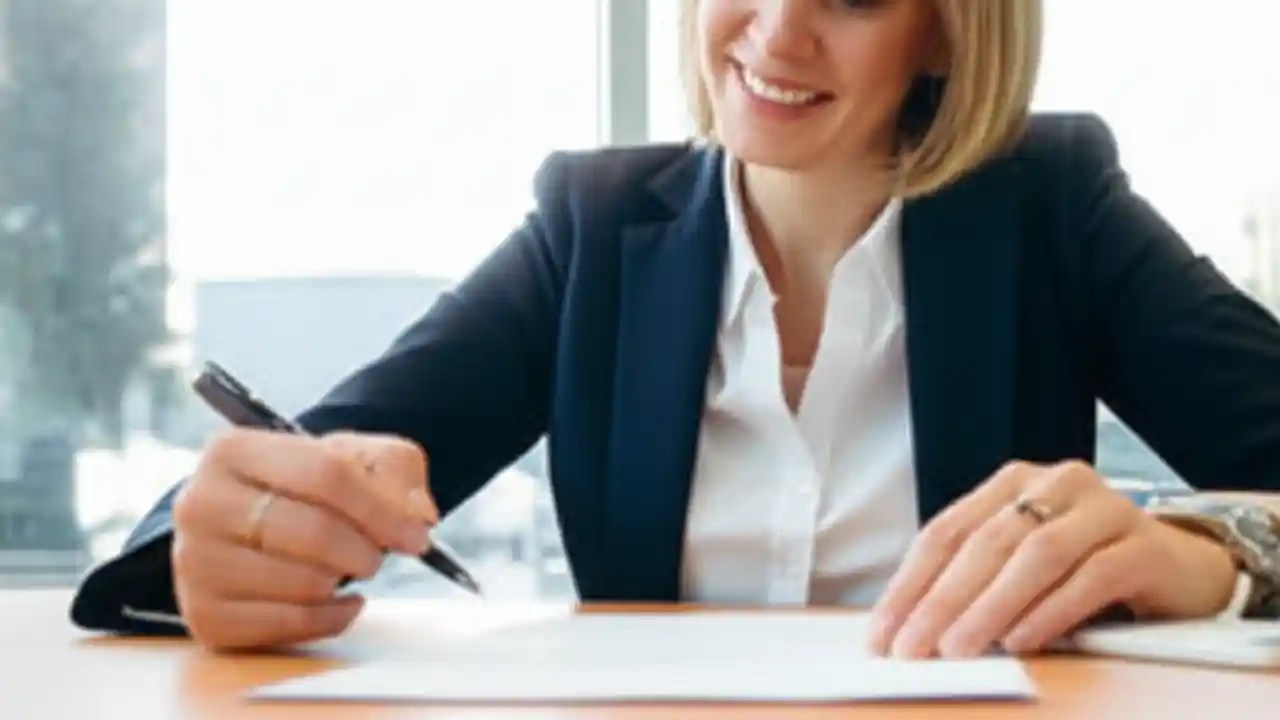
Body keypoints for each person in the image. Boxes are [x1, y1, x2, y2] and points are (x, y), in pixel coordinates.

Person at [72, 0, 1280, 656]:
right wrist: (227, 542)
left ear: (949, 26)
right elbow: (282, 478)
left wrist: (1204, 556)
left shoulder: (1053, 204)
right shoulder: (592, 229)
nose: (774, 30)